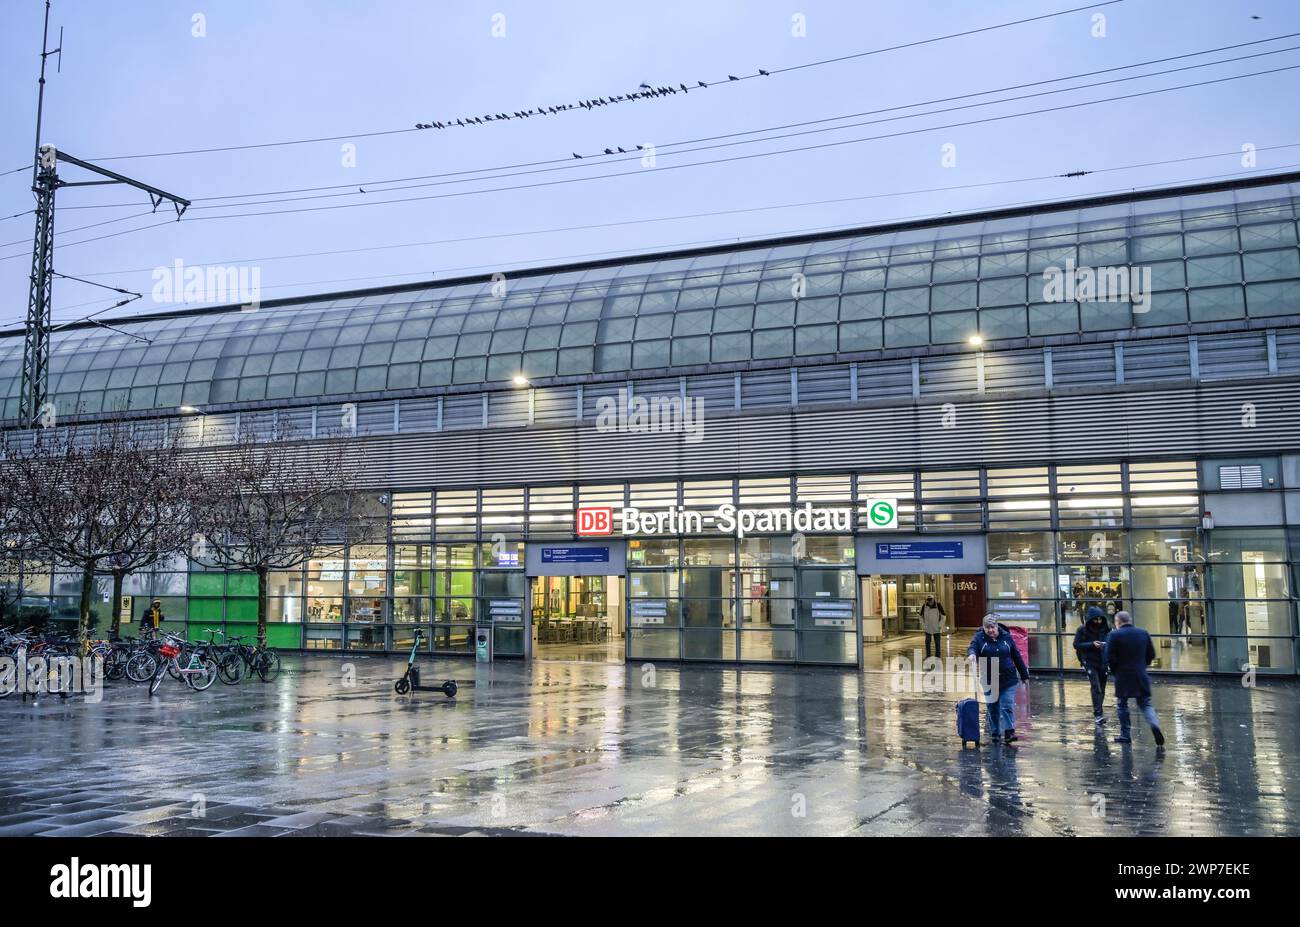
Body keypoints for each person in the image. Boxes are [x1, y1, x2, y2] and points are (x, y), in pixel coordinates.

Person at [1103, 611, 1165, 747]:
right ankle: (1154, 725)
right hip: (1140, 674)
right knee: (1145, 704)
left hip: (1122, 675)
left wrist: (1115, 670)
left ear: (1118, 621)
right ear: (1129, 620)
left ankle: (1125, 735)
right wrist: (1142, 665)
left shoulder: (1114, 635)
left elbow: (1109, 657)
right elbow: (1151, 654)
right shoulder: (1143, 633)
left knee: (1122, 705)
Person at [967, 615, 1030, 744]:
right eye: (987, 627)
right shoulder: (979, 638)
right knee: (993, 707)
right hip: (989, 680)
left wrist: (1024, 675)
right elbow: (972, 647)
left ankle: (1009, 732)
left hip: (1008, 678)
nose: (990, 630)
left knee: (1007, 705)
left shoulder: (1006, 637)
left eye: (992, 627)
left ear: (996, 626)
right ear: (983, 628)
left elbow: (1016, 655)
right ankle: (995, 732)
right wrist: (972, 654)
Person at [1073, 606, 1110, 725]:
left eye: (1100, 619)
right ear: (1090, 620)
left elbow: (1111, 641)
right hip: (1089, 661)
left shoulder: (1105, 629)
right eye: (1095, 620)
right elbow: (1077, 644)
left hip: (1103, 661)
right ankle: (1098, 713)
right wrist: (1092, 644)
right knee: (1096, 687)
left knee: (1102, 688)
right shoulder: (1082, 630)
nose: (1098, 622)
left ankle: (1099, 711)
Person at [919, 594, 946, 659]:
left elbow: (943, 616)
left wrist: (940, 625)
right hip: (928, 628)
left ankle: (938, 657)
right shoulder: (924, 606)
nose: (929, 601)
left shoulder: (938, 605)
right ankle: (928, 656)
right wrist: (923, 625)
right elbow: (920, 616)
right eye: (928, 600)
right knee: (927, 642)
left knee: (937, 643)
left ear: (934, 599)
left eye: (931, 600)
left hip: (936, 628)